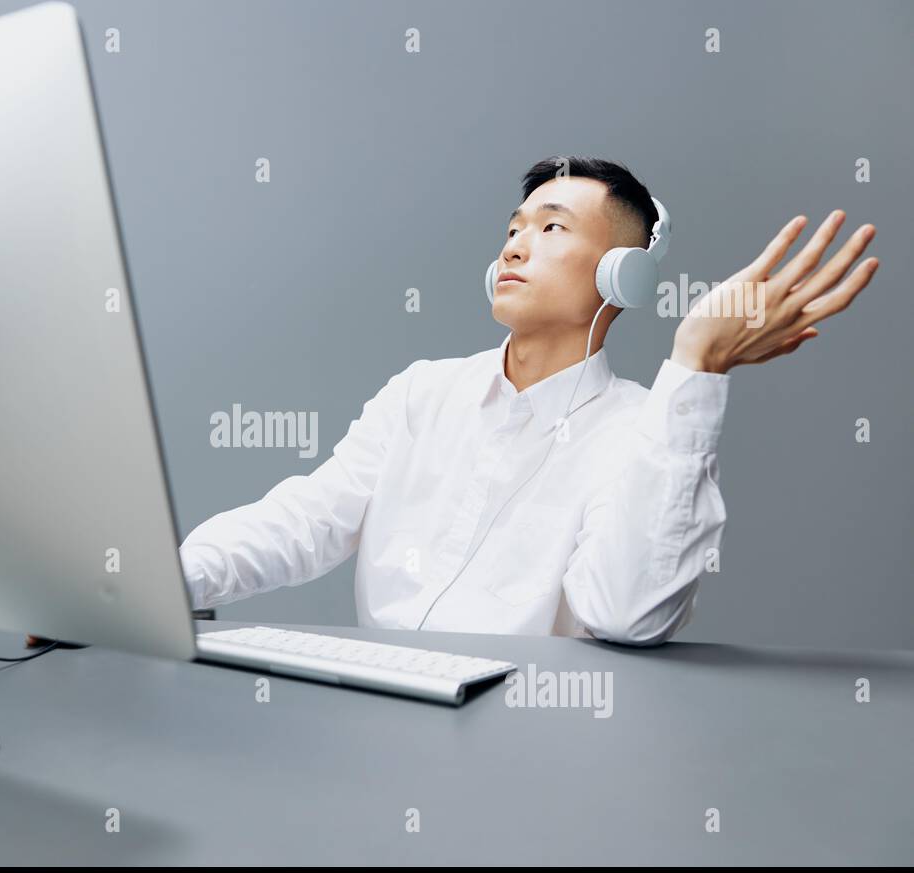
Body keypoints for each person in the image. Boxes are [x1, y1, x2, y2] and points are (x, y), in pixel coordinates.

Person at [174, 156, 879, 646]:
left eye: (551, 228)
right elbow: (305, 520)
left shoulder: (643, 430)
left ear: (623, 277)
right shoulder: (423, 392)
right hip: (379, 718)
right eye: (513, 228)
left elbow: (627, 614)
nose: (514, 246)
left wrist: (695, 365)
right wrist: (164, 582)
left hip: (538, 742)